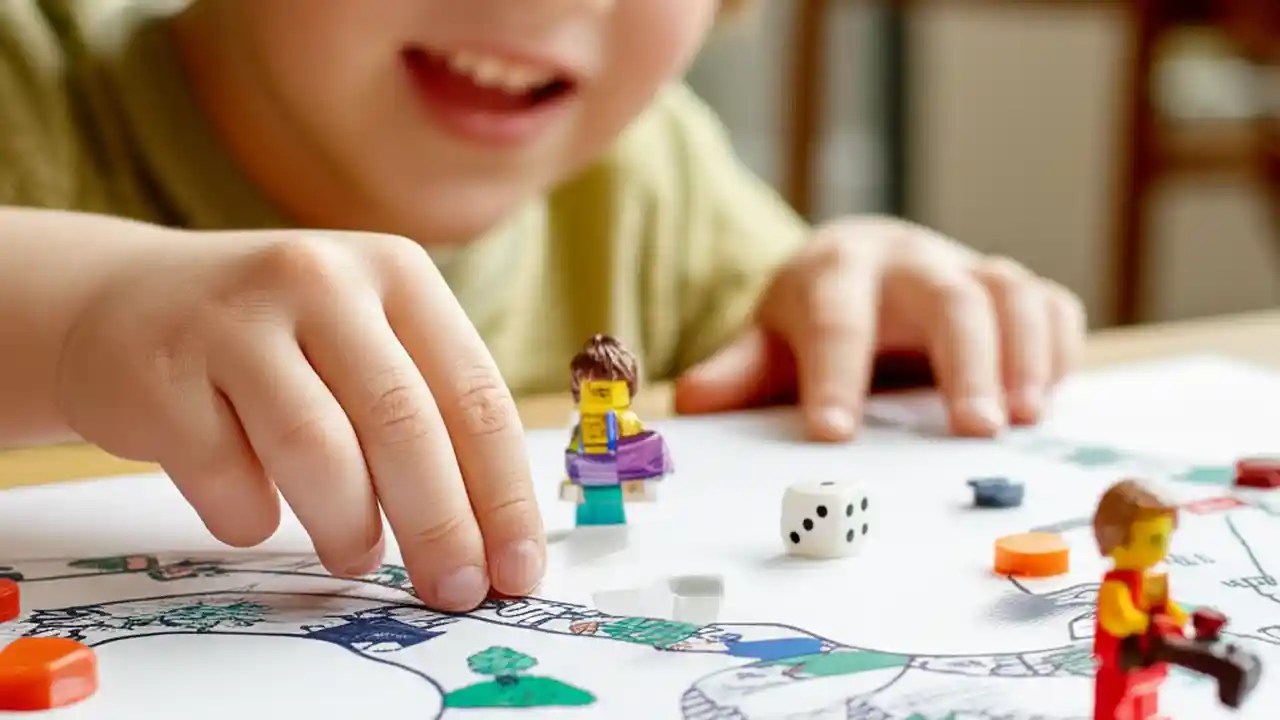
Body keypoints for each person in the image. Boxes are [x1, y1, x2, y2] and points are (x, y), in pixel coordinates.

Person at [0, 0, 1086, 611]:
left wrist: (862, 285)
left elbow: (788, 314)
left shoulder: (653, 173)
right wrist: (79, 311)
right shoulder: (29, 72)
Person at [1091, 479, 1187, 720]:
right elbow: (1117, 619)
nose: (1162, 549)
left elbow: (1166, 607)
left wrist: (1176, 616)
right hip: (1120, 661)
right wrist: (1146, 624)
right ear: (1117, 537)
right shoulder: (1115, 585)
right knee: (1117, 701)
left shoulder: (1151, 580)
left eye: (1166, 539)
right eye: (1155, 540)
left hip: (1147, 659)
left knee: (1148, 695)